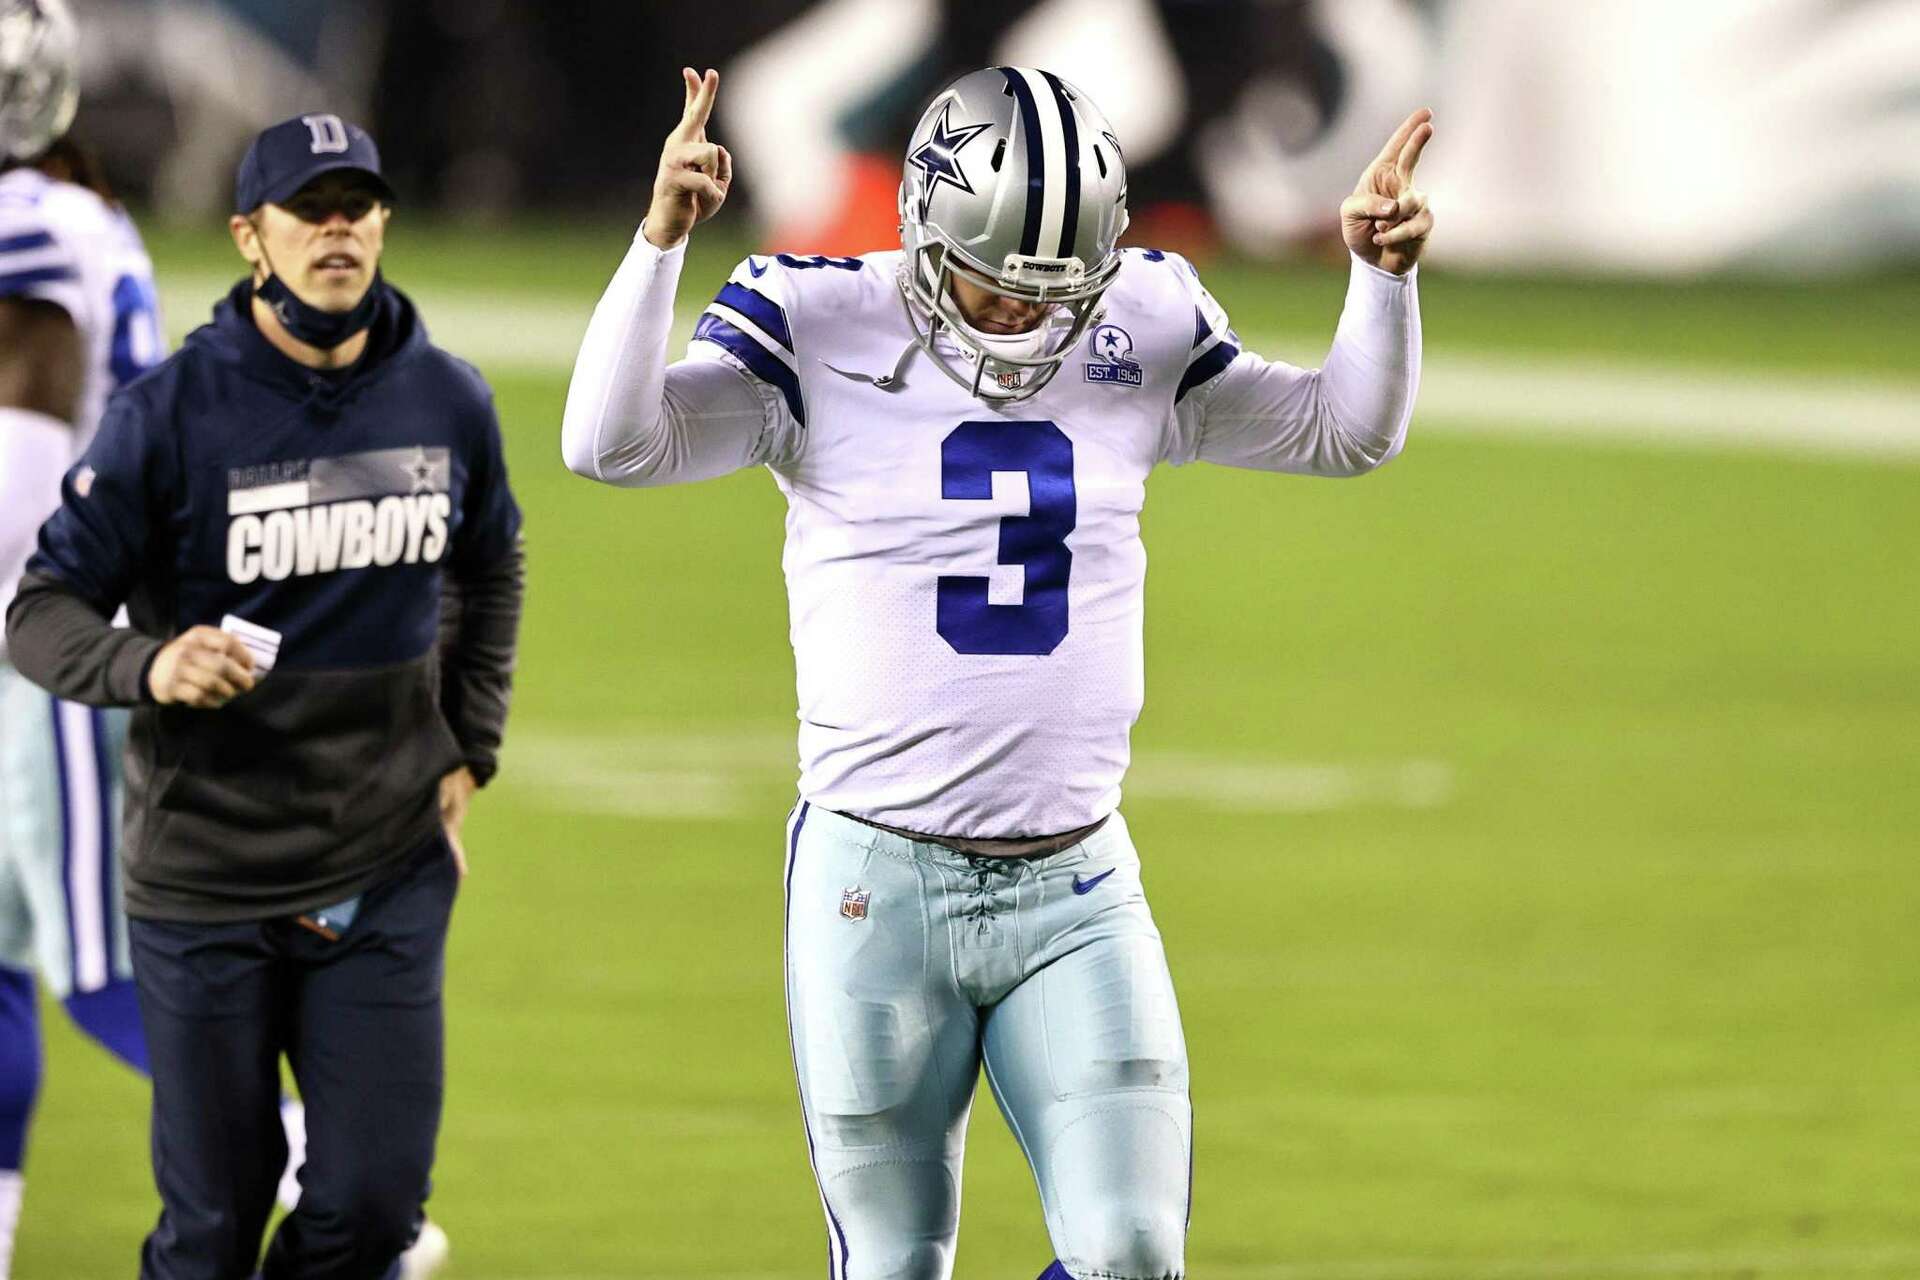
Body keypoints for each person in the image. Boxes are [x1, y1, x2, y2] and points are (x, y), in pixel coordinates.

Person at [564, 63, 1429, 1279]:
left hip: (1075, 883)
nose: (1025, 315)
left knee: (1133, 1252)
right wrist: (659, 243)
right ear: (924, 229)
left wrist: (1381, 282)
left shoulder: (1143, 316)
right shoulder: (816, 320)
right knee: (895, 1261)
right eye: (993, 282)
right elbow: (609, 443)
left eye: (1056, 287)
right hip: (876, 885)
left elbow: (1345, 430)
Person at [5, 109, 523, 1279]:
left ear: (383, 222)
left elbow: (492, 563)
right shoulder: (168, 416)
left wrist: (467, 741)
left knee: (375, 1209)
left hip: (383, 866)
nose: (337, 230)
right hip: (208, 876)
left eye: (358, 206)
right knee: (212, 1229)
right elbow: (40, 612)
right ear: (251, 236)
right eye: (309, 210)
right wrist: (149, 664)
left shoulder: (448, 399)